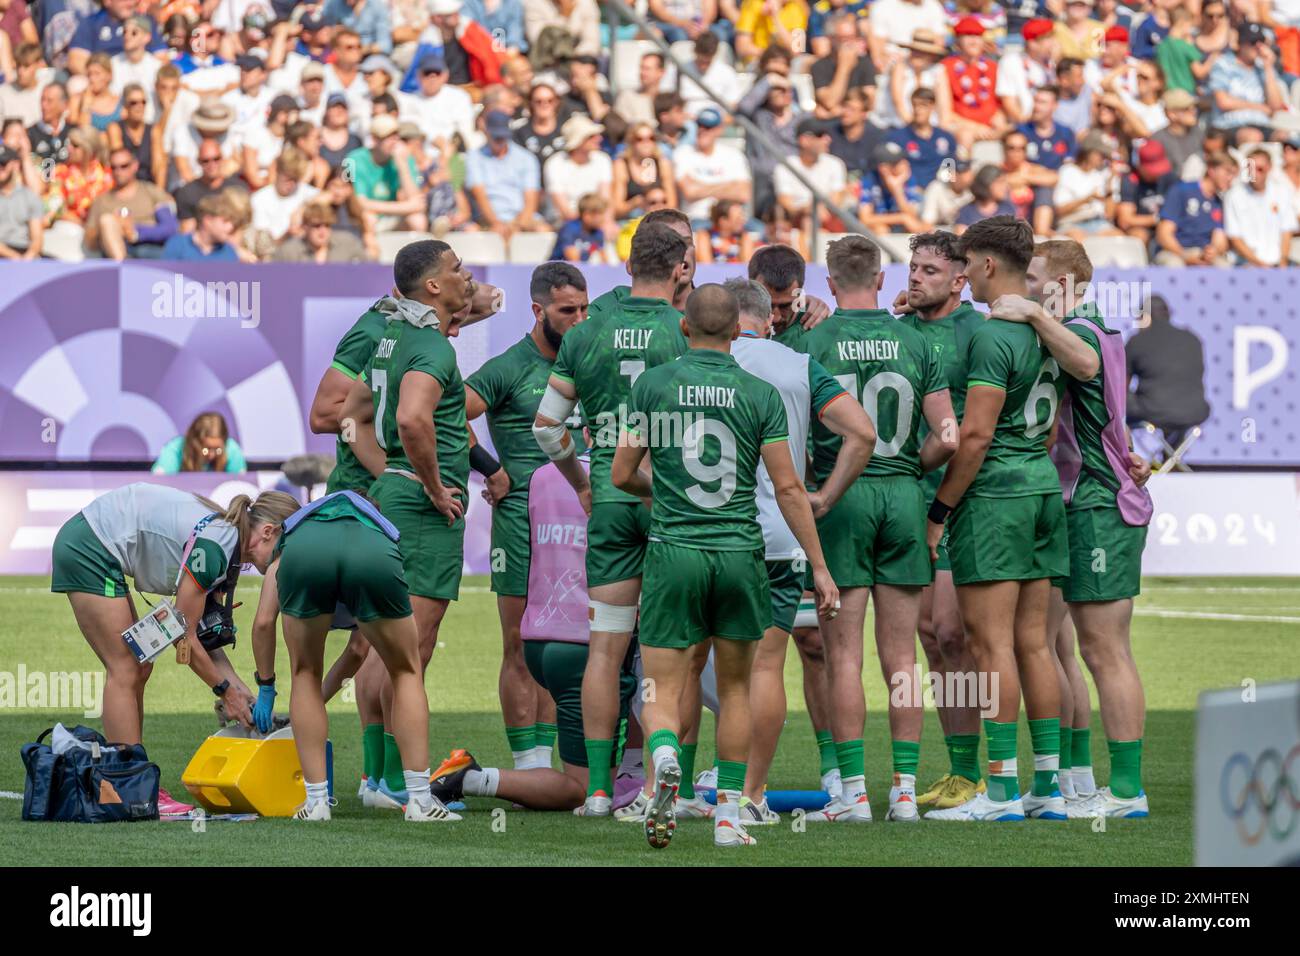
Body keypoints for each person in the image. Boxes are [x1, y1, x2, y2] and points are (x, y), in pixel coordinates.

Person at [610, 283, 839, 848]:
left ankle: (664, 755)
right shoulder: (759, 393)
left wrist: (661, 490)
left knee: (664, 682)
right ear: (738, 331)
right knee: (737, 688)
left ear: (683, 329)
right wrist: (821, 566)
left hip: (674, 551)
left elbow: (619, 474)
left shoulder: (651, 385)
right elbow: (788, 487)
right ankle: (731, 816)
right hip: (741, 553)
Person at [924, 216, 1094, 822]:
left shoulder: (996, 334)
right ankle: (1046, 789)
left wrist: (941, 509)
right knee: (1034, 645)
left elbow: (974, 436)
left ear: (989, 265)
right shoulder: (1046, 329)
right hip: (1044, 490)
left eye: (967, 264)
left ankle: (998, 795)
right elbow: (1048, 425)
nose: (963, 275)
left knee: (990, 645)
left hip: (996, 498)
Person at [531, 224, 691, 817]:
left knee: (605, 647)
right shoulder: (685, 329)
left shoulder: (585, 330)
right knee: (669, 652)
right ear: (680, 268)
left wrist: (582, 483)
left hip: (610, 496)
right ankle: (660, 787)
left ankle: (598, 790)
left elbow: (547, 426)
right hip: (671, 501)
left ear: (626, 267)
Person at [796, 236, 957, 824]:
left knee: (843, 655)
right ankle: (906, 793)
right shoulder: (918, 339)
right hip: (903, 495)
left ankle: (853, 796)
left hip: (840, 498)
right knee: (903, 657)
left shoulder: (811, 341)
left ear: (831, 283)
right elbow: (950, 435)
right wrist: (914, 468)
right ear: (883, 279)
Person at [1009, 238, 1154, 817]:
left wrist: (1034, 312)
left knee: (1104, 649)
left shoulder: (1088, 334)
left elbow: (1086, 365)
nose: (1027, 284)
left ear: (1066, 284)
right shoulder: (1080, 331)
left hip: (1100, 504)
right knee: (1049, 644)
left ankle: (1126, 792)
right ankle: (1070, 780)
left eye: (1036, 276)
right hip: (1072, 500)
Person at [724, 277, 874, 825]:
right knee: (764, 669)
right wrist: (825, 497)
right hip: (778, 535)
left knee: (684, 667)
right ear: (767, 319)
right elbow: (861, 432)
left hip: (700, 533)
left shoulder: (688, 359)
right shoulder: (796, 362)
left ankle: (671, 784)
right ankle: (750, 795)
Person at [50, 484, 299, 815]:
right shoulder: (216, 549)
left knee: (137, 667)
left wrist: (242, 695)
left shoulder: (229, 544)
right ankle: (128, 788)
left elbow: (203, 641)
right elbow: (183, 635)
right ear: (269, 532)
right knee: (126, 668)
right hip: (89, 546)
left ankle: (129, 782)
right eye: (286, 553)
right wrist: (226, 692)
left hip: (97, 541)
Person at [337, 240, 477, 809]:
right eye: (456, 269)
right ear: (434, 288)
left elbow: (356, 413)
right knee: (411, 650)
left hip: (388, 493)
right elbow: (413, 418)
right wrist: (436, 484)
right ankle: (403, 784)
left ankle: (378, 779)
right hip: (419, 508)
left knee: (381, 646)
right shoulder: (430, 346)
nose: (466, 275)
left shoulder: (393, 335)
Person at [249, 489, 460, 822]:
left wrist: (266, 686)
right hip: (372, 553)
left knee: (304, 673)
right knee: (406, 670)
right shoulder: (371, 529)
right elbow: (359, 649)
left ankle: (316, 803)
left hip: (306, 555)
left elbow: (263, 623)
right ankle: (420, 801)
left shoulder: (296, 538)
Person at [464, 262, 587, 775]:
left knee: (577, 642)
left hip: (584, 520)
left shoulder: (592, 360)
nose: (579, 320)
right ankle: (530, 766)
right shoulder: (508, 367)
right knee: (520, 641)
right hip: (521, 522)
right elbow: (443, 411)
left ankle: (570, 764)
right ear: (539, 311)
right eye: (567, 311)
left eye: (585, 309)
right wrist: (490, 469)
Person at [893, 232, 988, 810]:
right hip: (911, 499)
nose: (916, 277)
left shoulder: (978, 331)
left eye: (929, 269)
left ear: (959, 279)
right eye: (912, 268)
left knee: (956, 635)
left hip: (966, 500)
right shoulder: (898, 331)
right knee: (931, 636)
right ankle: (960, 773)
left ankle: (990, 772)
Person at [1124, 294, 1211, 449]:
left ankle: (1124, 456)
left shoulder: (1137, 341)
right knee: (1174, 400)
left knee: (1116, 398)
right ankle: (1171, 459)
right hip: (1195, 411)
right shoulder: (1191, 339)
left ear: (1146, 317)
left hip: (1152, 411)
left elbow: (1121, 383)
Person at [84, 147, 176, 259]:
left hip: (149, 248)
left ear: (135, 166)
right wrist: (113, 226)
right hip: (114, 252)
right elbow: (90, 242)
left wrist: (135, 233)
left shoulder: (151, 192)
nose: (118, 172)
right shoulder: (101, 200)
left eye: (124, 166)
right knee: (107, 220)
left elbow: (170, 227)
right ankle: (123, 267)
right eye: (113, 167)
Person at [466, 109, 545, 239]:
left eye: (503, 136)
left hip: (521, 219)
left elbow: (531, 199)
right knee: (470, 231)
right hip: (487, 220)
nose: (499, 140)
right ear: (486, 132)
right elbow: (480, 196)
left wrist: (518, 225)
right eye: (496, 136)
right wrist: (496, 224)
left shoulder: (526, 158)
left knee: (543, 230)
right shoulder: (474, 157)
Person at [673, 108, 750, 230]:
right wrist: (729, 186)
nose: (702, 130)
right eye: (699, 125)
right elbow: (690, 192)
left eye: (708, 127)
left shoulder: (733, 155)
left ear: (719, 130)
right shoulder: (682, 153)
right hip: (697, 218)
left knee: (758, 230)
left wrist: (701, 187)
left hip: (731, 219)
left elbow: (743, 194)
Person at [1154, 152, 1235, 267]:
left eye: (1233, 174)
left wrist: (1212, 251)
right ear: (1212, 170)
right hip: (1173, 252)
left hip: (1201, 254)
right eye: (1228, 172)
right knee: (1175, 265)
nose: (1231, 178)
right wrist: (1184, 255)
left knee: (1225, 268)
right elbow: (1164, 234)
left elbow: (1219, 238)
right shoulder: (1181, 190)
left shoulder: (1218, 202)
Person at [1224, 145, 1296, 268]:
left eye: (1260, 169)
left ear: (1269, 168)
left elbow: (1286, 231)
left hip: (1278, 264)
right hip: (1246, 264)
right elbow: (1235, 237)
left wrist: (1283, 263)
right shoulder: (1234, 195)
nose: (1254, 173)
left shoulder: (1282, 192)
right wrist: (1259, 264)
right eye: (1250, 168)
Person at [274, 199, 369, 262]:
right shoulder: (289, 252)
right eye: (317, 226)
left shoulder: (348, 243)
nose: (322, 231)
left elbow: (368, 270)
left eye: (327, 225)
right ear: (305, 227)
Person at [152, 413, 245, 473]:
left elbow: (240, 487)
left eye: (217, 450)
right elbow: (158, 483)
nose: (211, 455)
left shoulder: (232, 450)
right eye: (206, 449)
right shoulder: (175, 449)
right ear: (193, 443)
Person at [0, 144, 42, 258]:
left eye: (3, 163)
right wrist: (13, 257)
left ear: (15, 164)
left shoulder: (28, 196)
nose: (0, 167)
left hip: (23, 252)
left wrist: (27, 258)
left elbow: (37, 238)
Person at [954, 163, 1016, 232]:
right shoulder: (966, 212)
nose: (1005, 187)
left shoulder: (1008, 208)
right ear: (986, 184)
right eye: (1000, 182)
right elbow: (960, 237)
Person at [551, 192, 610, 262]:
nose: (602, 218)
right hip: (556, 270)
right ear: (586, 215)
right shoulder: (569, 229)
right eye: (599, 214)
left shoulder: (598, 233)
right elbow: (573, 260)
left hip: (581, 270)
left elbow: (603, 261)